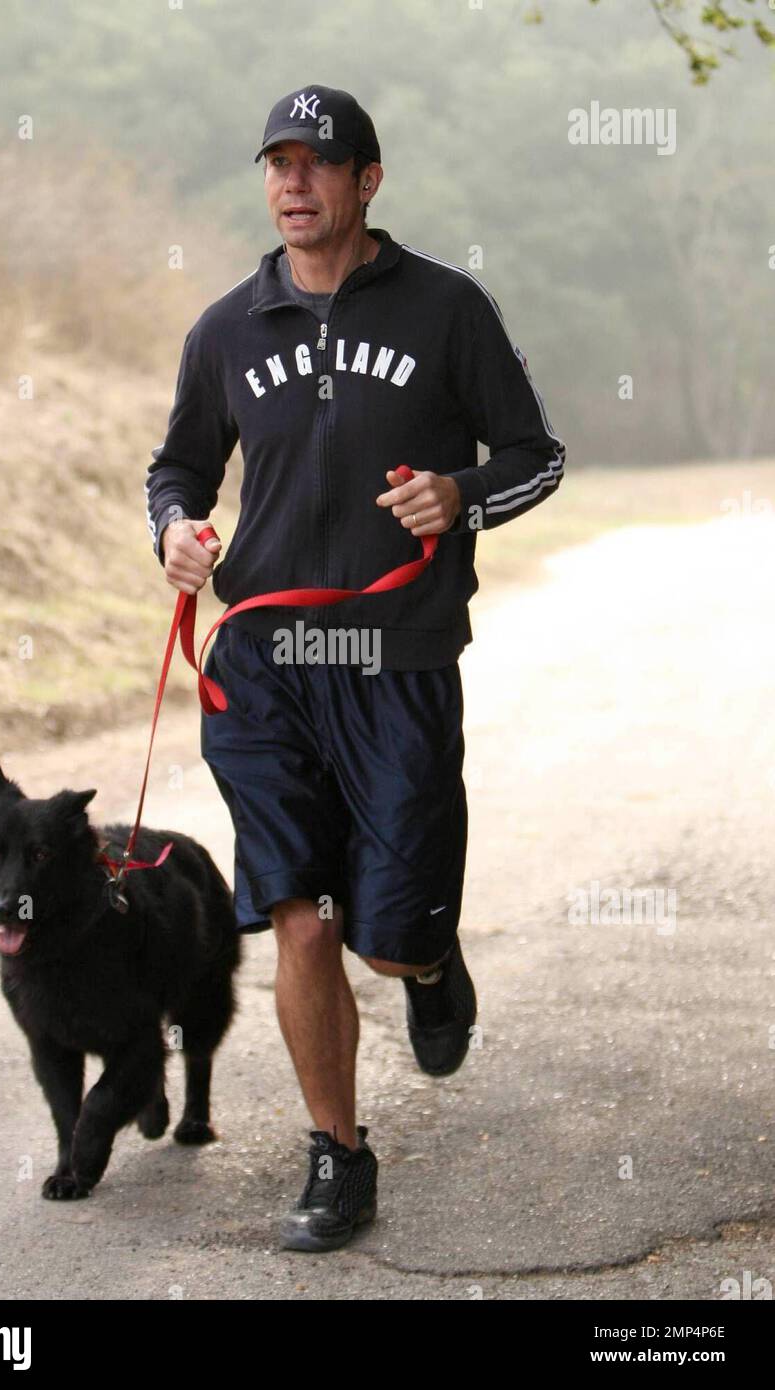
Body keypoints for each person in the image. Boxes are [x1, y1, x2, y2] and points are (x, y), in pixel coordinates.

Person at [145, 84, 565, 1252]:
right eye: (276, 165)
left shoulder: (447, 308)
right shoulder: (227, 328)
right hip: (268, 666)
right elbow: (175, 468)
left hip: (399, 659)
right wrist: (176, 531)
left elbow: (536, 453)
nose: (292, 184)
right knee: (302, 917)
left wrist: (463, 495)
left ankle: (428, 958)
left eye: (316, 165)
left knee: (384, 932)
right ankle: (337, 1153)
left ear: (365, 180)